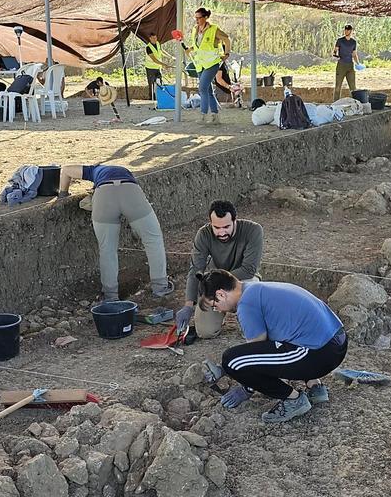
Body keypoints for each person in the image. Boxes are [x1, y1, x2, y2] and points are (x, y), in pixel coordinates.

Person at [200, 271, 347, 424]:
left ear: (221, 294)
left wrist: (243, 385)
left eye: (215, 305)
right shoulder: (255, 288)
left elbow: (255, 354)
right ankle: (315, 386)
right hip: (337, 341)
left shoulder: (246, 303)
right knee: (289, 334)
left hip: (320, 353)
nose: (219, 311)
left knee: (232, 360)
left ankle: (294, 400)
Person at [58, 164, 171, 302]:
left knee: (107, 250)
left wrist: (63, 194)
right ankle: (160, 288)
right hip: (131, 192)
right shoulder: (121, 171)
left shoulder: (93, 170)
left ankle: (110, 296)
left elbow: (66, 170)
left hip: (103, 197)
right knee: (153, 240)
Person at [177, 201, 264, 339]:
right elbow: (196, 270)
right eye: (216, 227)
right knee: (205, 332)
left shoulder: (253, 230)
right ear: (210, 222)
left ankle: (245, 318)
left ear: (235, 220)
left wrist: (215, 283)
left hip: (242, 280)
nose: (221, 232)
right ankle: (220, 313)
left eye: (226, 226)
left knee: (250, 331)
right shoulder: (204, 234)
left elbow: (248, 269)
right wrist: (188, 304)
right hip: (214, 284)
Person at [184, 7, 231, 124]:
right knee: (208, 91)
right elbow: (198, 45)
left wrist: (227, 53)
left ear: (205, 17)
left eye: (199, 18)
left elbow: (226, 39)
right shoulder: (195, 29)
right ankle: (215, 116)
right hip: (200, 64)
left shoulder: (213, 29)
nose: (196, 20)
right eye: (195, 18)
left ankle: (203, 115)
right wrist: (190, 49)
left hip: (212, 63)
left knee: (202, 88)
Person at [333, 25, 360, 101]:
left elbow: (354, 54)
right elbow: (335, 50)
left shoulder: (353, 42)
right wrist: (335, 54)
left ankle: (356, 103)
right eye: (345, 30)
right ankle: (335, 103)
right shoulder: (340, 40)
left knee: (353, 87)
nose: (346, 31)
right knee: (338, 87)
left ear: (351, 31)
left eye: (348, 30)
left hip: (350, 65)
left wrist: (358, 63)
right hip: (341, 65)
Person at [143, 32, 168, 100]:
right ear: (150, 38)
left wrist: (170, 57)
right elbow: (154, 59)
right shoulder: (148, 47)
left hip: (157, 67)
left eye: (156, 38)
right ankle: (151, 98)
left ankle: (159, 96)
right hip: (150, 68)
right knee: (151, 83)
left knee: (159, 81)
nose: (155, 39)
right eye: (153, 38)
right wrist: (164, 64)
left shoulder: (157, 44)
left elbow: (161, 51)